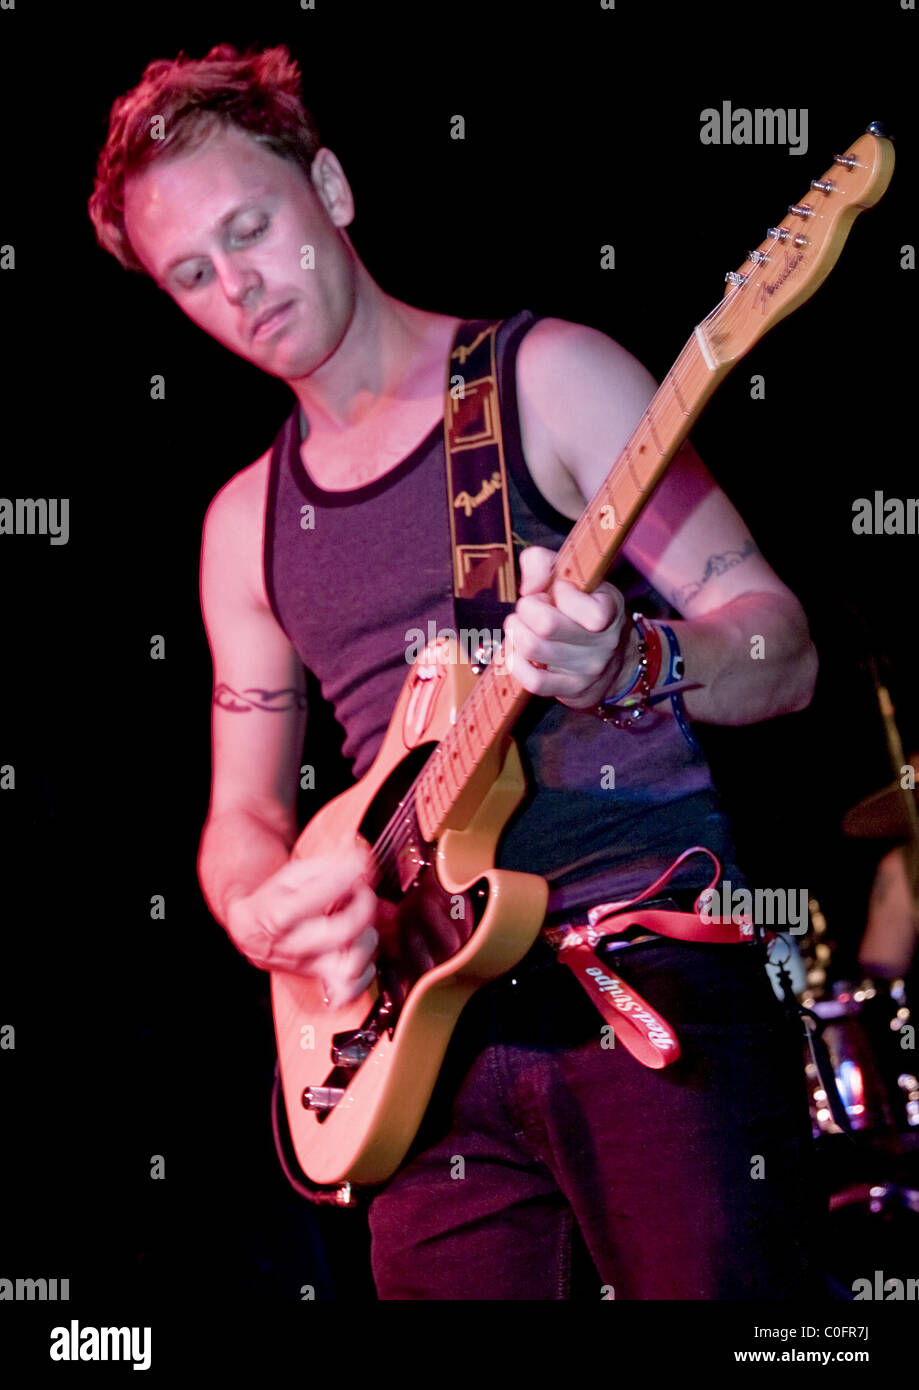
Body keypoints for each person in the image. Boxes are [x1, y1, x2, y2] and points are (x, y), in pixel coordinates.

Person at [89, 42, 822, 1299]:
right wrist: (262, 910)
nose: (239, 288)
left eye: (253, 228)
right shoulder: (238, 526)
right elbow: (245, 819)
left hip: (637, 981)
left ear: (331, 185)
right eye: (193, 276)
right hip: (417, 1053)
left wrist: (633, 658)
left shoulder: (551, 377)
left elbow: (782, 651)